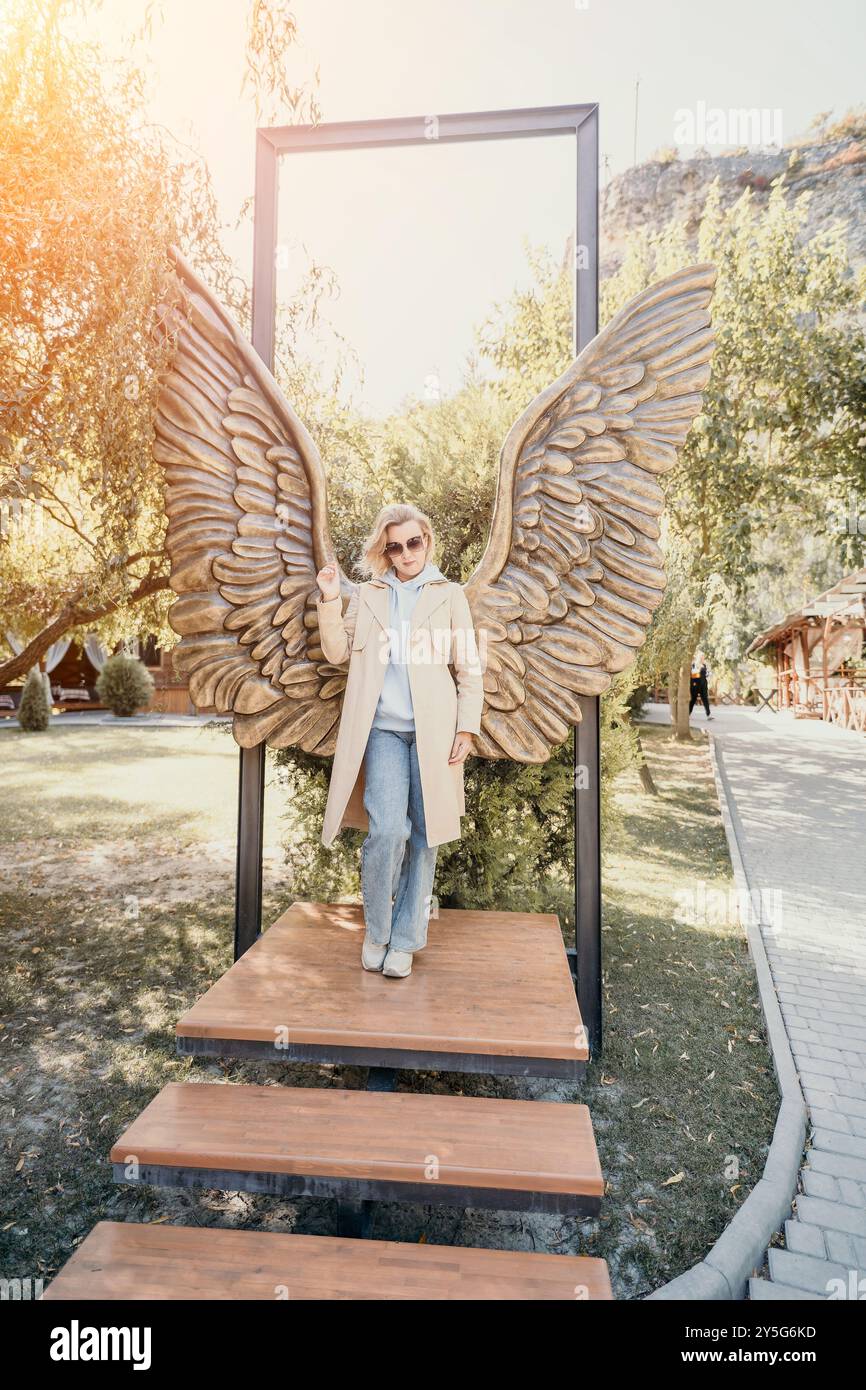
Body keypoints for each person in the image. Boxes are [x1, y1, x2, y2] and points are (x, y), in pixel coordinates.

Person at [315, 504, 484, 979]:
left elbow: (468, 666)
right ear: (385, 551)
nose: (406, 553)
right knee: (387, 831)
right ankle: (378, 931)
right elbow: (336, 653)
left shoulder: (449, 596)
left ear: (427, 541)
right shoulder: (369, 595)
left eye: (413, 542)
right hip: (383, 731)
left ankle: (407, 941)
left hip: (434, 736)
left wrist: (466, 728)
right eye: (395, 545)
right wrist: (330, 598)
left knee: (427, 837)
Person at [689, 652, 712, 718]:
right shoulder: (694, 665)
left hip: (703, 685)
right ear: (699, 657)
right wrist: (699, 672)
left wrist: (708, 674)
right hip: (695, 685)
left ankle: (708, 715)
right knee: (693, 700)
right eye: (702, 657)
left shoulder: (704, 665)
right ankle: (688, 714)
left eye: (703, 657)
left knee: (705, 700)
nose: (703, 658)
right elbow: (693, 675)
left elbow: (707, 674)